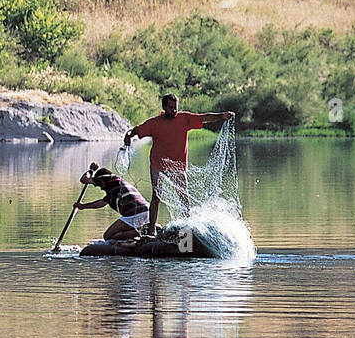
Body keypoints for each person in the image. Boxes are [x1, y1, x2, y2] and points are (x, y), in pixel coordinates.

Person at [124, 94, 234, 234]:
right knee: (156, 197)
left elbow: (204, 117)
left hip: (178, 166)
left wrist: (221, 116)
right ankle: (152, 229)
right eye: (170, 108)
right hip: (158, 165)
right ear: (164, 107)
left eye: (175, 108)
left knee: (183, 197)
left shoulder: (184, 119)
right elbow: (137, 130)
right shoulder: (155, 123)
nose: (174, 111)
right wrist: (128, 136)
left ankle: (187, 228)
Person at [73, 162, 150, 242]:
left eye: (98, 185)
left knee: (108, 236)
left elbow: (84, 180)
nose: (101, 188)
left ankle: (144, 231)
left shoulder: (106, 178)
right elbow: (102, 203)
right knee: (115, 235)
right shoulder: (114, 188)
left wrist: (91, 170)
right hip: (146, 211)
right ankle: (144, 231)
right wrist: (83, 206)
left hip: (134, 213)